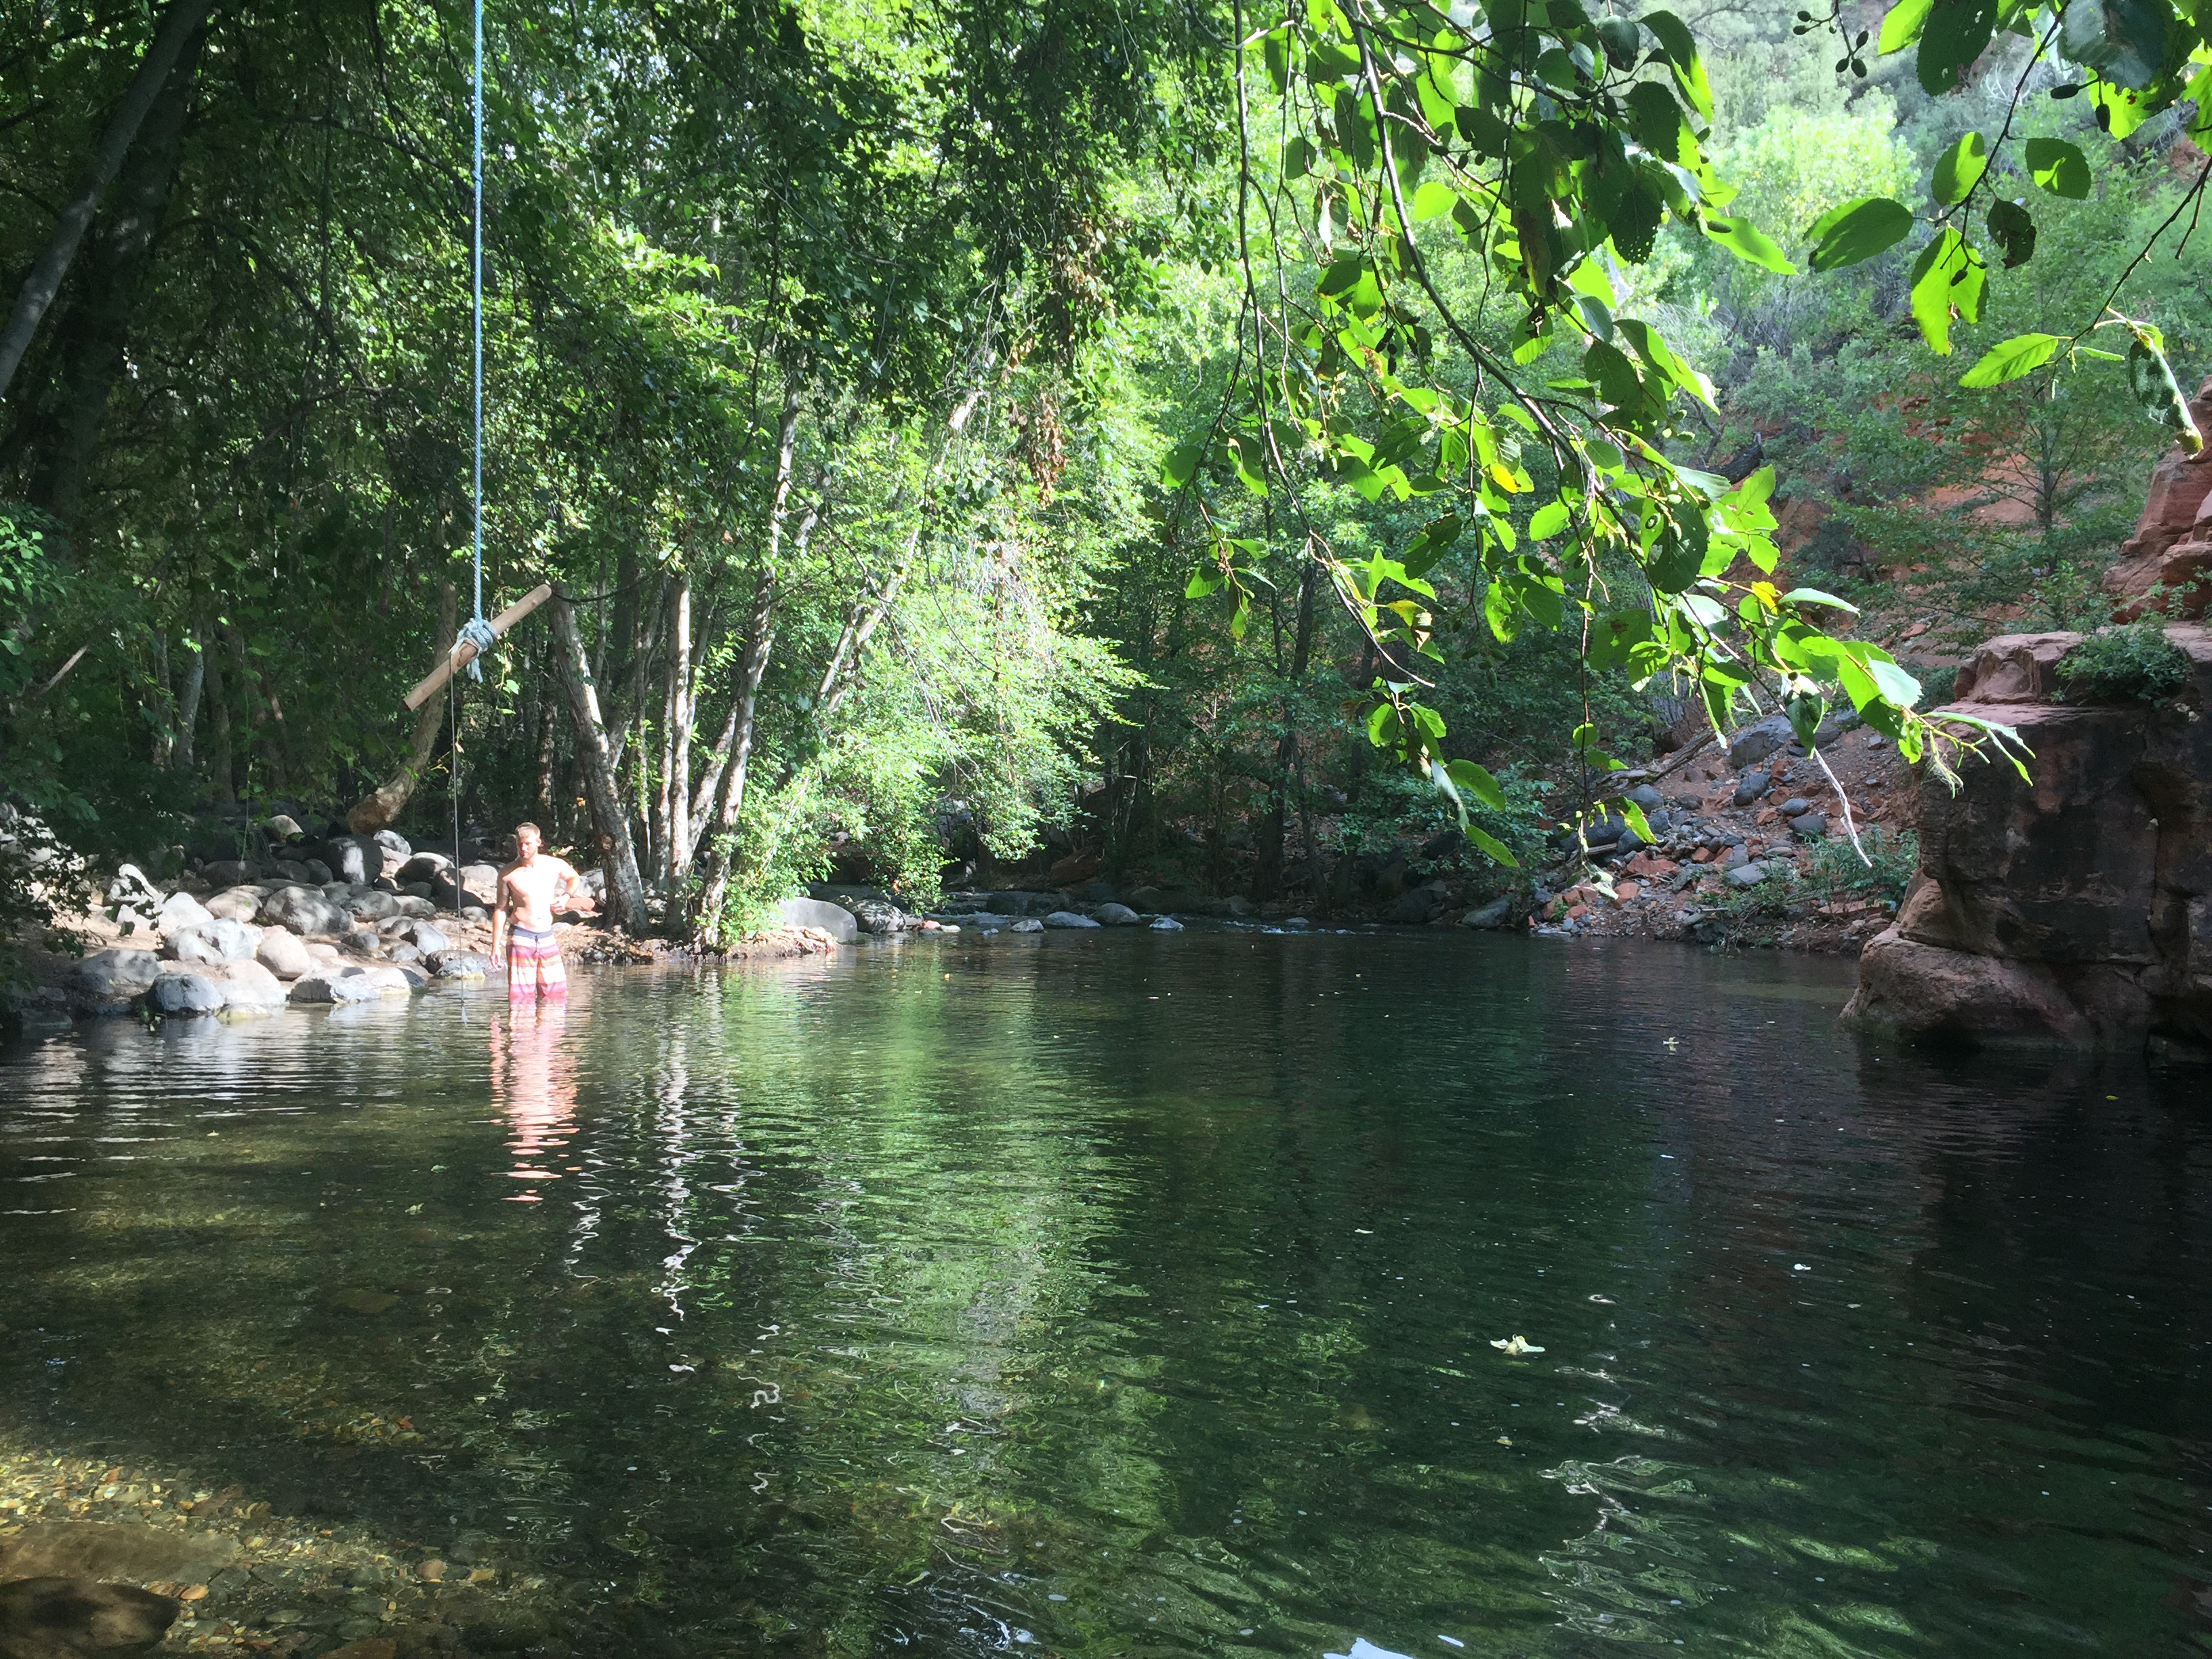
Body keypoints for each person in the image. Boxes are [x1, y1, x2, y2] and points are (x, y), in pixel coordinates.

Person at [491, 822, 590, 998]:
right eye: (519, 844)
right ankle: (521, 1025)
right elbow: (500, 910)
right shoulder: (507, 873)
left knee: (556, 996)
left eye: (528, 843)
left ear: (538, 842)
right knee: (521, 997)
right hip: (520, 937)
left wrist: (567, 896)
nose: (523, 848)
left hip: (546, 937)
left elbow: (574, 877)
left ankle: (548, 1025)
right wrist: (495, 946)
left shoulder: (554, 865)